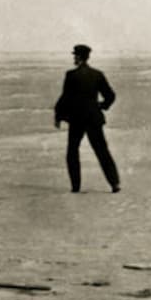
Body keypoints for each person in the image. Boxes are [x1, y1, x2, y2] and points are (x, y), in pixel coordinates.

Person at [53, 44, 120, 192]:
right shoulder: (98, 74)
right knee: (102, 151)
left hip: (77, 119)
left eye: (75, 56)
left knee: (72, 152)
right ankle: (115, 184)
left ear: (78, 57)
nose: (73, 58)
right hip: (94, 118)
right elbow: (110, 95)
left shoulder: (71, 75)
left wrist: (58, 115)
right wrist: (101, 106)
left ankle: (75, 187)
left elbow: (65, 97)